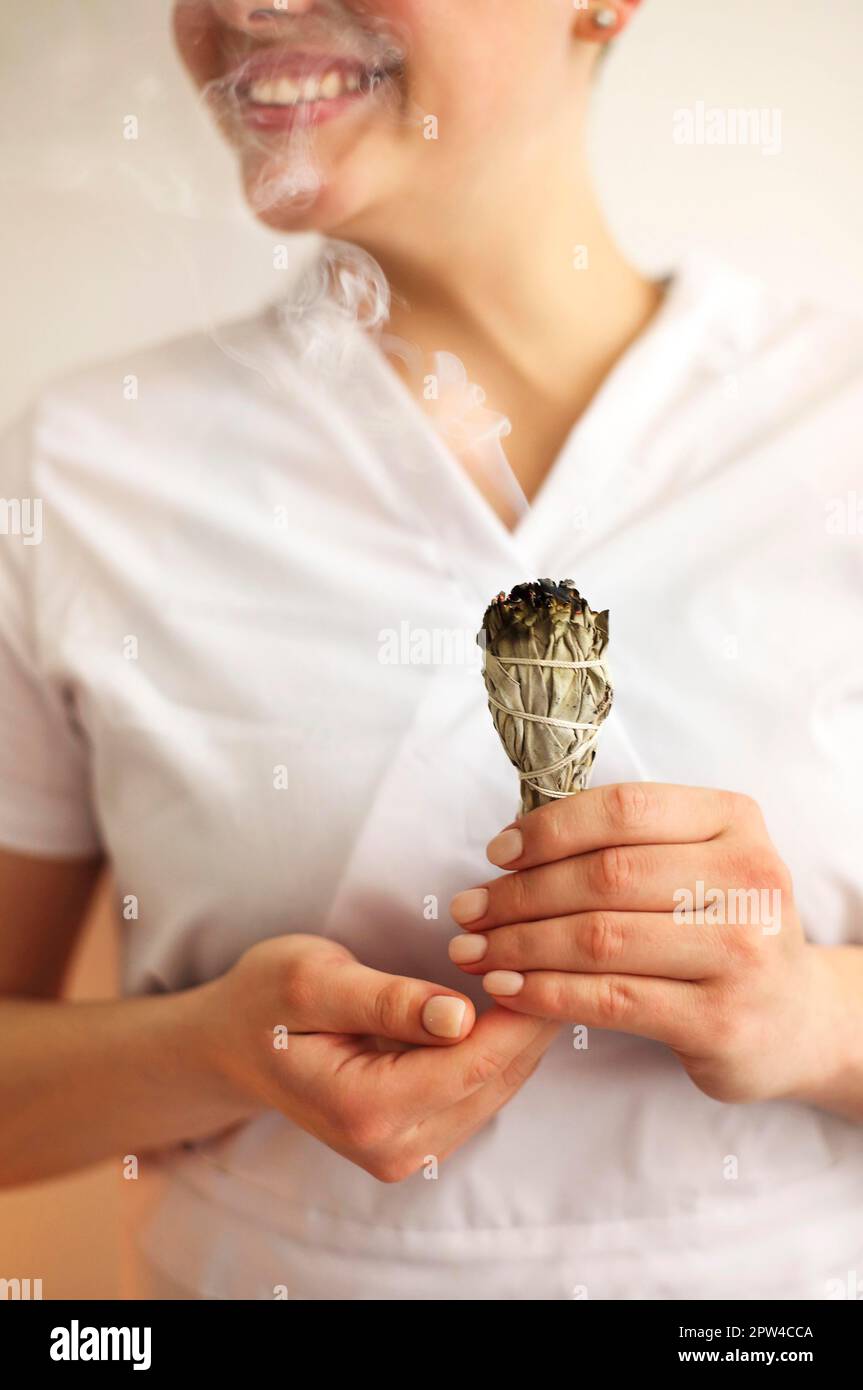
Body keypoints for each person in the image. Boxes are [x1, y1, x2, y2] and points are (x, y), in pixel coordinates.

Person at [0, 0, 861, 1301]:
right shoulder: (82, 474)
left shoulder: (834, 432)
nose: (238, 5)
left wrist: (808, 1012)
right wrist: (212, 1052)